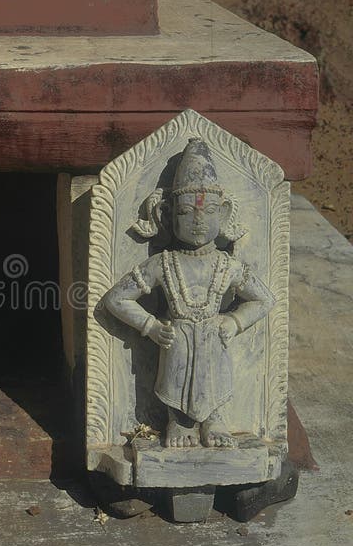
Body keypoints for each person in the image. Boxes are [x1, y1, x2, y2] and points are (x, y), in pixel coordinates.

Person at [104, 139, 275, 449]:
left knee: (216, 379)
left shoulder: (228, 265)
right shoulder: (162, 263)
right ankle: (179, 421)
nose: (198, 221)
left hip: (215, 339)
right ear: (167, 214)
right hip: (176, 340)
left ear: (223, 213)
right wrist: (151, 326)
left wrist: (234, 322)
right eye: (186, 212)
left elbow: (264, 299)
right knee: (175, 380)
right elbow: (116, 299)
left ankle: (214, 419)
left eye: (209, 211)